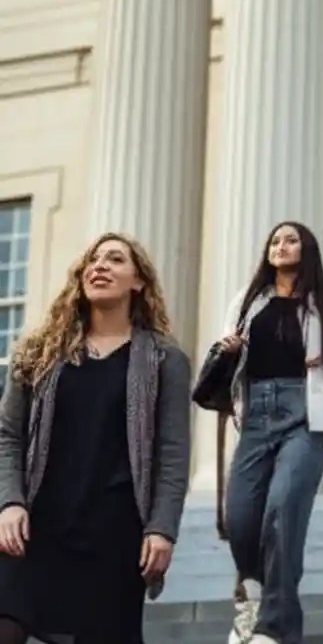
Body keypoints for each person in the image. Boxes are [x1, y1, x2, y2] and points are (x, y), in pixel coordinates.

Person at [0, 234, 192, 643]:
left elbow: (172, 453)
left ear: (139, 282)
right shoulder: (38, 352)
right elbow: (7, 435)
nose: (100, 266)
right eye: (93, 259)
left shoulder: (164, 360)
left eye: (115, 259)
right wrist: (9, 502)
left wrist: (162, 528)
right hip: (36, 521)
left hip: (114, 530)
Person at [221, 222, 323, 644]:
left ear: (305, 249)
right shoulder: (248, 300)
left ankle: (275, 626)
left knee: (283, 508)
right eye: (274, 240)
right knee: (239, 517)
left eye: (290, 239)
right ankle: (252, 596)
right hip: (254, 415)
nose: (281, 246)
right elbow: (223, 357)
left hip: (304, 415)